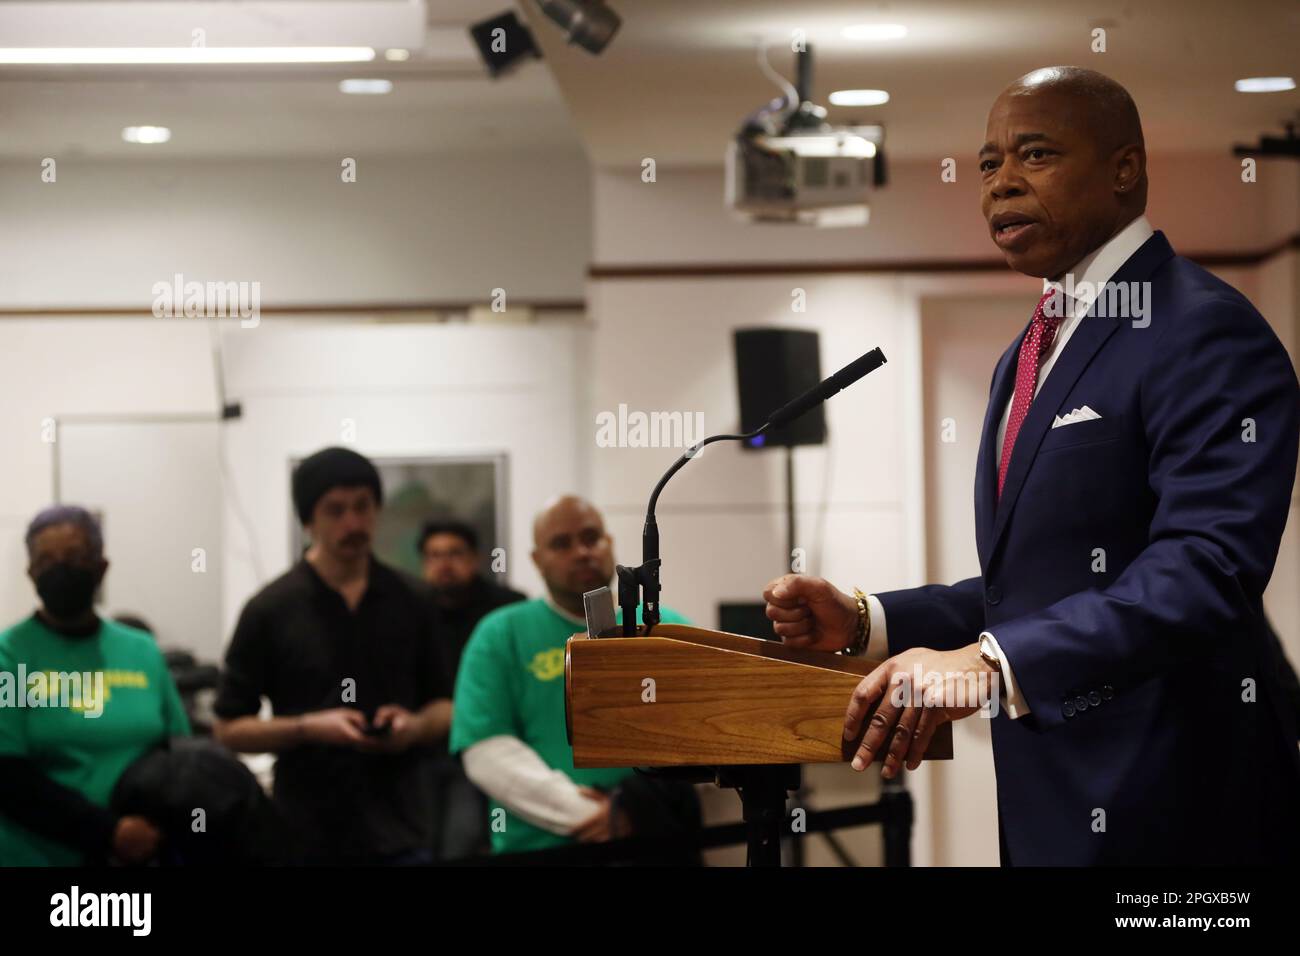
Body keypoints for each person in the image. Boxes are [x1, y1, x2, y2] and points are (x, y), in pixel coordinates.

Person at [764, 66, 1300, 866]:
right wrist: (872, 621)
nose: (1000, 184)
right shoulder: (1029, 352)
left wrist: (986, 664)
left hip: (1177, 808)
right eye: (987, 164)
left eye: (1035, 155)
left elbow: (1207, 570)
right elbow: (1047, 583)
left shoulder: (1204, 328)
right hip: (1055, 797)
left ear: (1125, 169)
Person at [213, 447, 453, 865]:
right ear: (308, 520)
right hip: (306, 836)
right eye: (335, 510)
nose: (353, 523)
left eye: (363, 507)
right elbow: (229, 728)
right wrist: (307, 728)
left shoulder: (414, 600)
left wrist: (413, 727)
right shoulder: (270, 609)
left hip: (403, 830)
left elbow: (448, 706)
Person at [451, 495, 700, 858]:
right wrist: (595, 816)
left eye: (591, 537)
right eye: (561, 543)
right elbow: (486, 750)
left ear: (610, 543)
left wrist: (638, 808)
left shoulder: (667, 628)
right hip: (541, 847)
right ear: (537, 560)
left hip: (657, 844)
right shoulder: (500, 633)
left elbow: (707, 733)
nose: (582, 552)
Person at [0, 506, 190, 866]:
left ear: (101, 566)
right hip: (38, 857)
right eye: (47, 560)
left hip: (141, 855)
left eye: (74, 556)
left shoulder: (142, 650)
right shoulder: (8, 656)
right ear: (31, 573)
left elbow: (176, 750)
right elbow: (8, 776)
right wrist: (108, 831)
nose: (60, 568)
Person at [417, 517, 524, 859]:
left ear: (474, 558)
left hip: (492, 740)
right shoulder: (412, 612)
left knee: (465, 842)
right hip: (426, 750)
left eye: (453, 553)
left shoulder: (507, 608)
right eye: (434, 555)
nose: (444, 564)